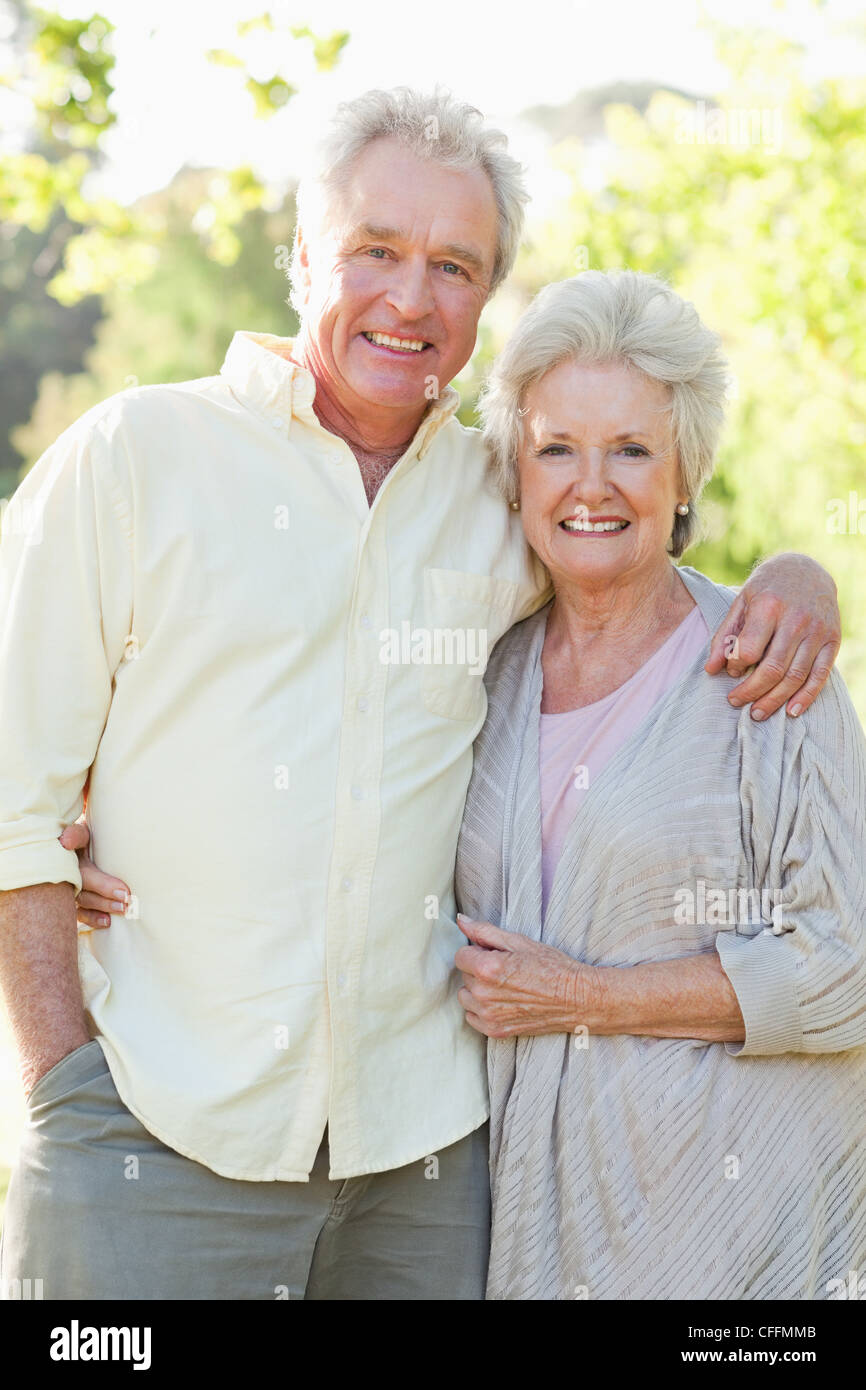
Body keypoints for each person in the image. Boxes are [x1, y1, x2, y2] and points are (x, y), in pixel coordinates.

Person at [0, 90, 842, 1302]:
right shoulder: (134, 459)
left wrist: (797, 575)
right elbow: (17, 798)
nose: (411, 298)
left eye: (455, 265)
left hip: (423, 1169)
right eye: (375, 251)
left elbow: (623, 542)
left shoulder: (497, 493)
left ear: (488, 293)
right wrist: (60, 1084)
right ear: (299, 255)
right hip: (149, 1133)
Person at [454, 269, 866, 1300]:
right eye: (556, 448)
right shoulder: (476, 675)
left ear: (685, 474)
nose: (590, 485)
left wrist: (582, 997)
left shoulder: (769, 665)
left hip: (735, 1246)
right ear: (515, 472)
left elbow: (843, 968)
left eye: (630, 450)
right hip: (532, 1237)